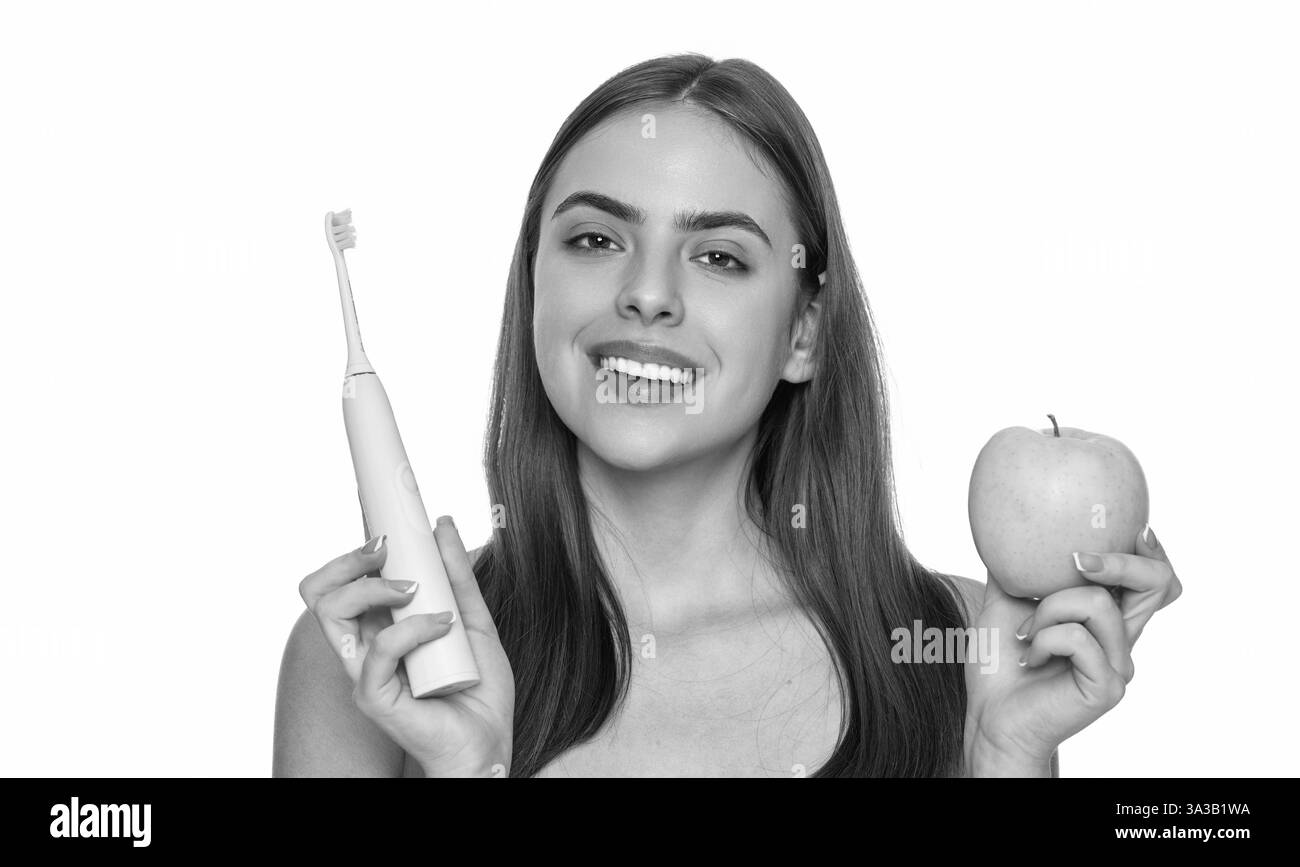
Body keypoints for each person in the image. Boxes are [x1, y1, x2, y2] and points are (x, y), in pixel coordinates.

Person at [273, 53, 1181, 778]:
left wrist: (1007, 753)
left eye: (717, 255)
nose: (647, 295)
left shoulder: (961, 648)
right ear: (533, 287)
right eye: (596, 239)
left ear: (804, 333)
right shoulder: (371, 657)